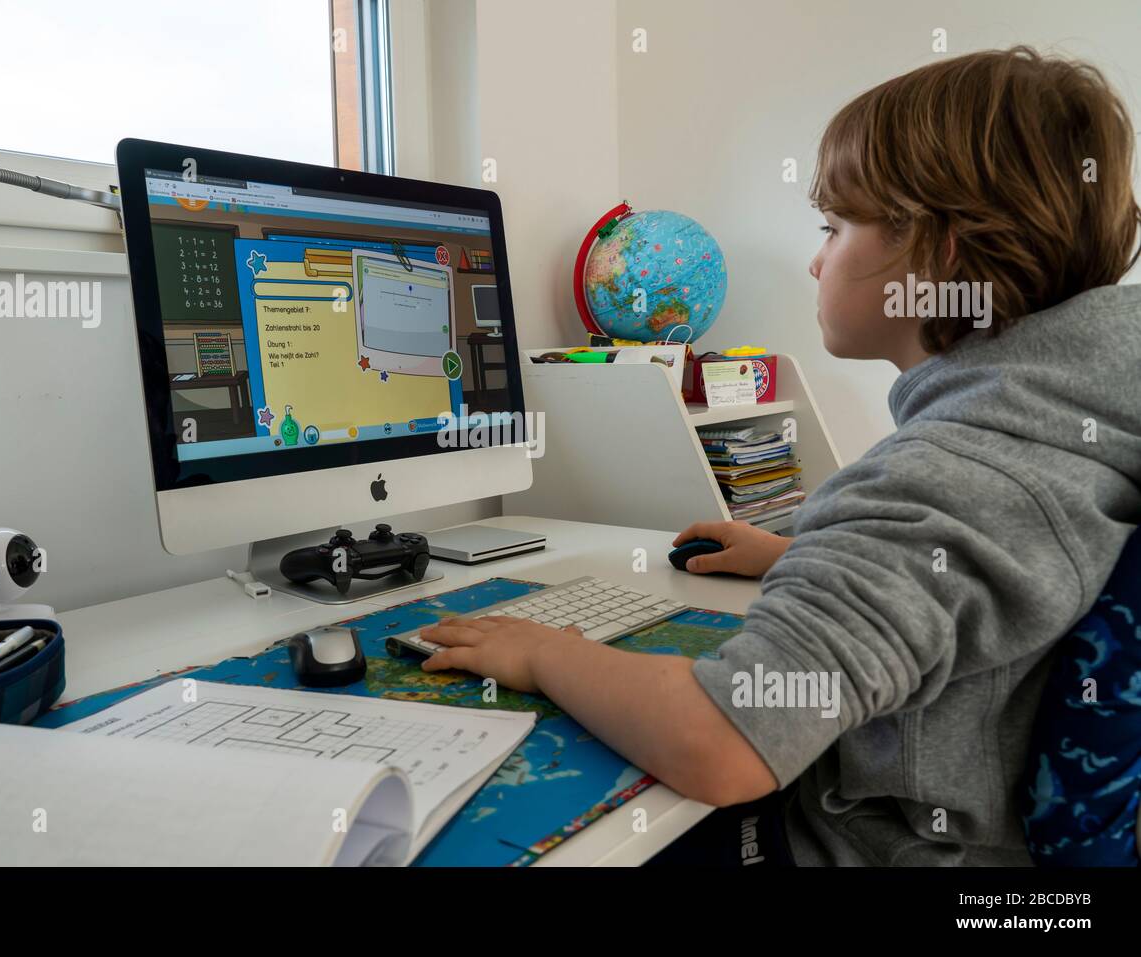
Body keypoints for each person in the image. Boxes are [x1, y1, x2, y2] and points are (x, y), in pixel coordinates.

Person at [417, 46, 1141, 865]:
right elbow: (990, 580)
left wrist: (549, 651)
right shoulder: (1069, 426)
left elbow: (722, 742)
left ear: (937, 253)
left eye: (834, 227)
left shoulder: (951, 477)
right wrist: (802, 553)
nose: (815, 258)